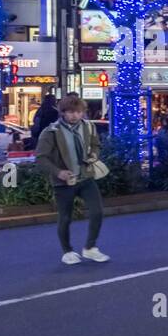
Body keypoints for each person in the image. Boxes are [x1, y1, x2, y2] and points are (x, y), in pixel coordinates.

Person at [34, 94, 109, 266]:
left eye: (78, 112)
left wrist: (94, 154)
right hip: (64, 181)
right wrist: (58, 172)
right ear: (63, 113)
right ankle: (67, 251)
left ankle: (90, 248)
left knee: (97, 211)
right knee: (65, 217)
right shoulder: (51, 132)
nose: (75, 115)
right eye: (70, 112)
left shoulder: (88, 127)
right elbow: (40, 158)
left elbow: (96, 144)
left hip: (86, 177)